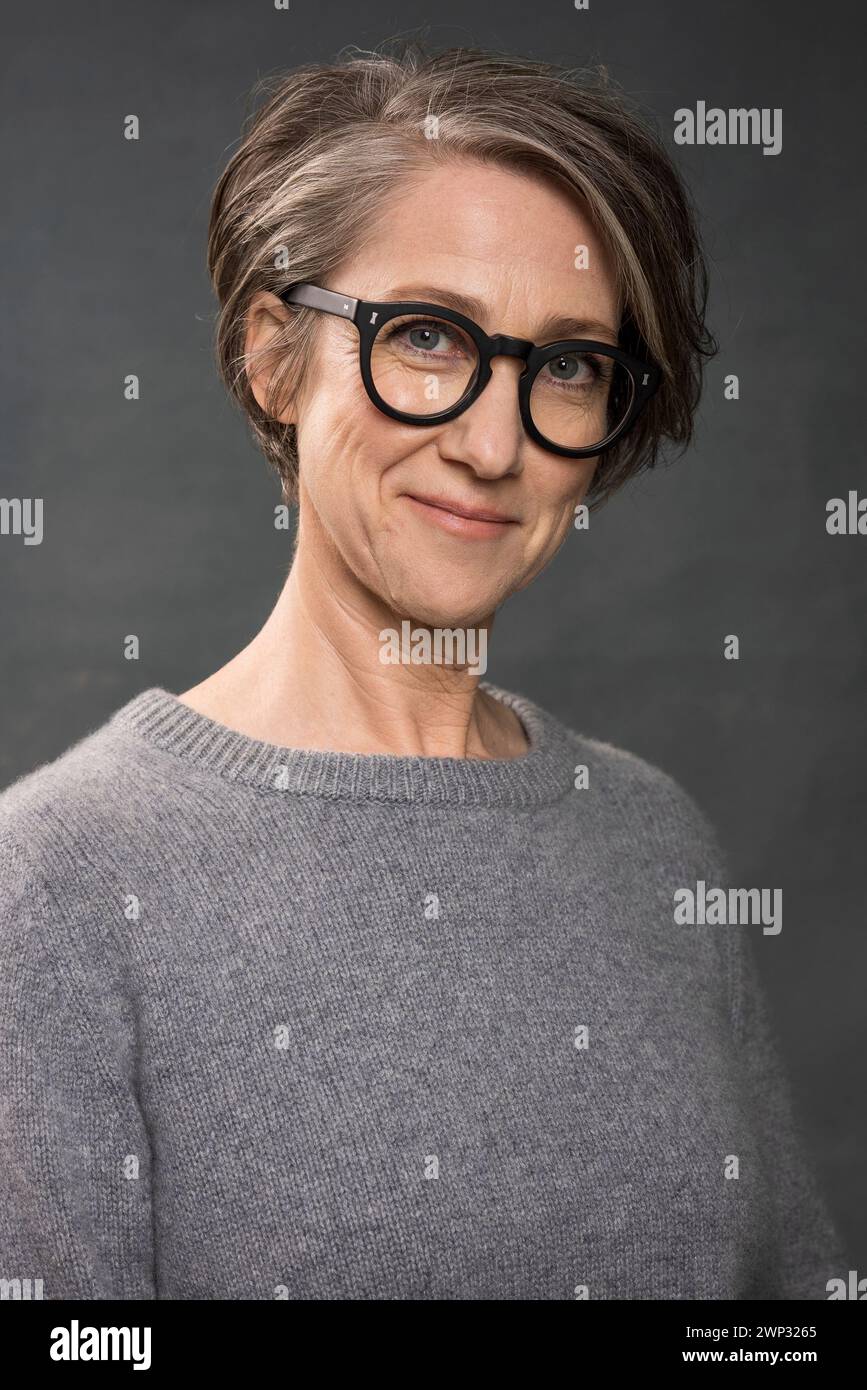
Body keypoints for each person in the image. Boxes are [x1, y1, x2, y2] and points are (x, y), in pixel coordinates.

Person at [0, 41, 846, 1299]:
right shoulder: (54, 886)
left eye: (566, 365)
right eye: (429, 337)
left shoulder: (659, 843)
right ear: (273, 357)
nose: (495, 444)